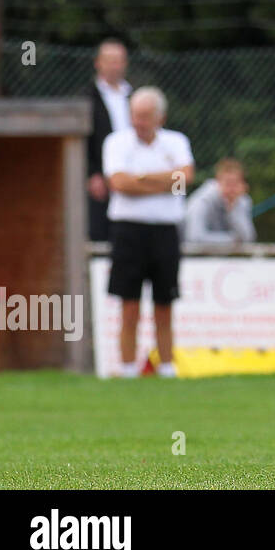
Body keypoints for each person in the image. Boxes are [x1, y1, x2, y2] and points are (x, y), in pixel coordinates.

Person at [101, 87, 194, 378]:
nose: (139, 122)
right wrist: (163, 180)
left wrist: (140, 178)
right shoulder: (116, 142)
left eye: (145, 116)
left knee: (164, 303)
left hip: (165, 232)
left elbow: (185, 179)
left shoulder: (176, 141)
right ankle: (128, 368)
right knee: (129, 304)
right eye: (135, 116)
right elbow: (119, 184)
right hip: (128, 232)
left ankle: (166, 367)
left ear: (160, 117)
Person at [87, 38, 132, 242]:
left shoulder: (134, 95)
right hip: (102, 177)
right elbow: (84, 139)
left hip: (132, 173)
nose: (115, 66)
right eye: (110, 60)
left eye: (119, 60)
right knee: (100, 229)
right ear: (98, 63)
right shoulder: (87, 97)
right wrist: (92, 173)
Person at [184, 158, 255, 245]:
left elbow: (248, 237)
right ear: (218, 181)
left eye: (236, 183)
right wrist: (232, 240)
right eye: (228, 183)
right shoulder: (202, 201)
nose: (232, 188)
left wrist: (233, 208)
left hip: (222, 254)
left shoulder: (242, 201)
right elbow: (194, 237)